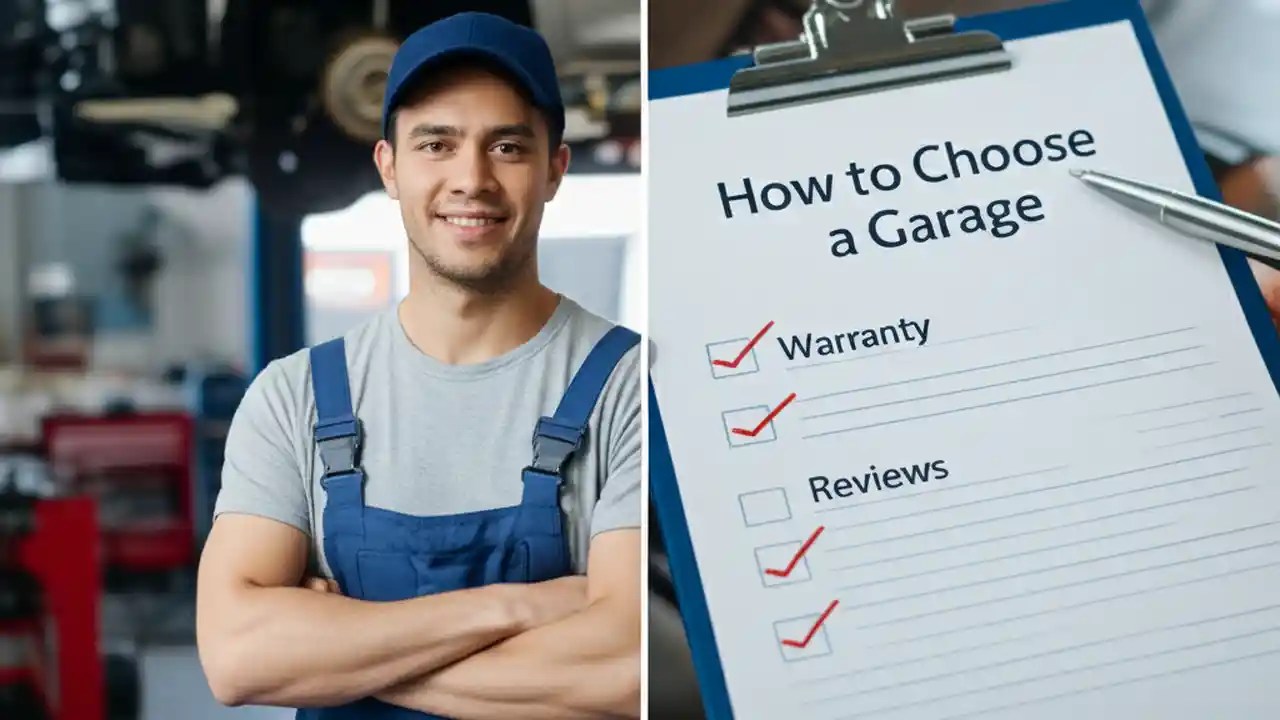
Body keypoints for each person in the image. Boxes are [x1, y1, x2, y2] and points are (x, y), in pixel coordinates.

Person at [194, 11, 642, 720]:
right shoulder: (294, 398)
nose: (472, 179)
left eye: (507, 147)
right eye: (437, 144)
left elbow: (625, 670)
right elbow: (236, 656)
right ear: (389, 168)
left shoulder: (631, 389)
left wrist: (335, 655)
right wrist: (514, 608)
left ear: (555, 170)